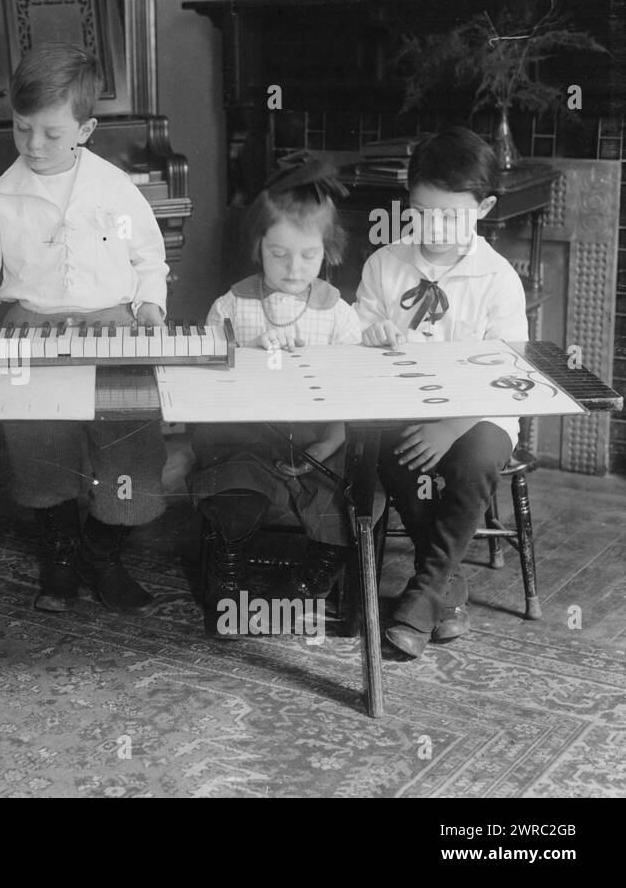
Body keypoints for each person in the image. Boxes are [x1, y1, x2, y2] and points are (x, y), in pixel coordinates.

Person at [0, 42, 169, 615]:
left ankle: (104, 555)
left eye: (51, 134)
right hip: (32, 332)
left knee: (129, 445)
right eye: (21, 129)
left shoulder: (116, 189)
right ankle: (60, 555)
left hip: (112, 332)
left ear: (87, 129)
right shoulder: (1, 197)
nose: (33, 146)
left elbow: (149, 257)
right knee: (39, 449)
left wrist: (150, 303)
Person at [356, 126, 527, 658]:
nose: (434, 227)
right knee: (390, 447)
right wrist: (371, 333)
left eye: (451, 215)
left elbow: (507, 374)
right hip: (405, 406)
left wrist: (452, 425)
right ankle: (445, 591)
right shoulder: (385, 265)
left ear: (485, 207)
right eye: (421, 212)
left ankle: (424, 592)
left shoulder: (498, 279)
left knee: (475, 459)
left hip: (480, 414)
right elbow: (356, 335)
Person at [187, 152, 361, 635]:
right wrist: (243, 352)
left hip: (318, 439)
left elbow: (355, 390)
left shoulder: (339, 315)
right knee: (233, 488)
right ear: (257, 245)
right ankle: (229, 574)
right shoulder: (232, 306)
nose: (292, 268)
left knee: (347, 495)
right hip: (245, 436)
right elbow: (205, 374)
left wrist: (328, 441)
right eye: (277, 254)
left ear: (328, 250)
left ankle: (311, 579)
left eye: (308, 255)